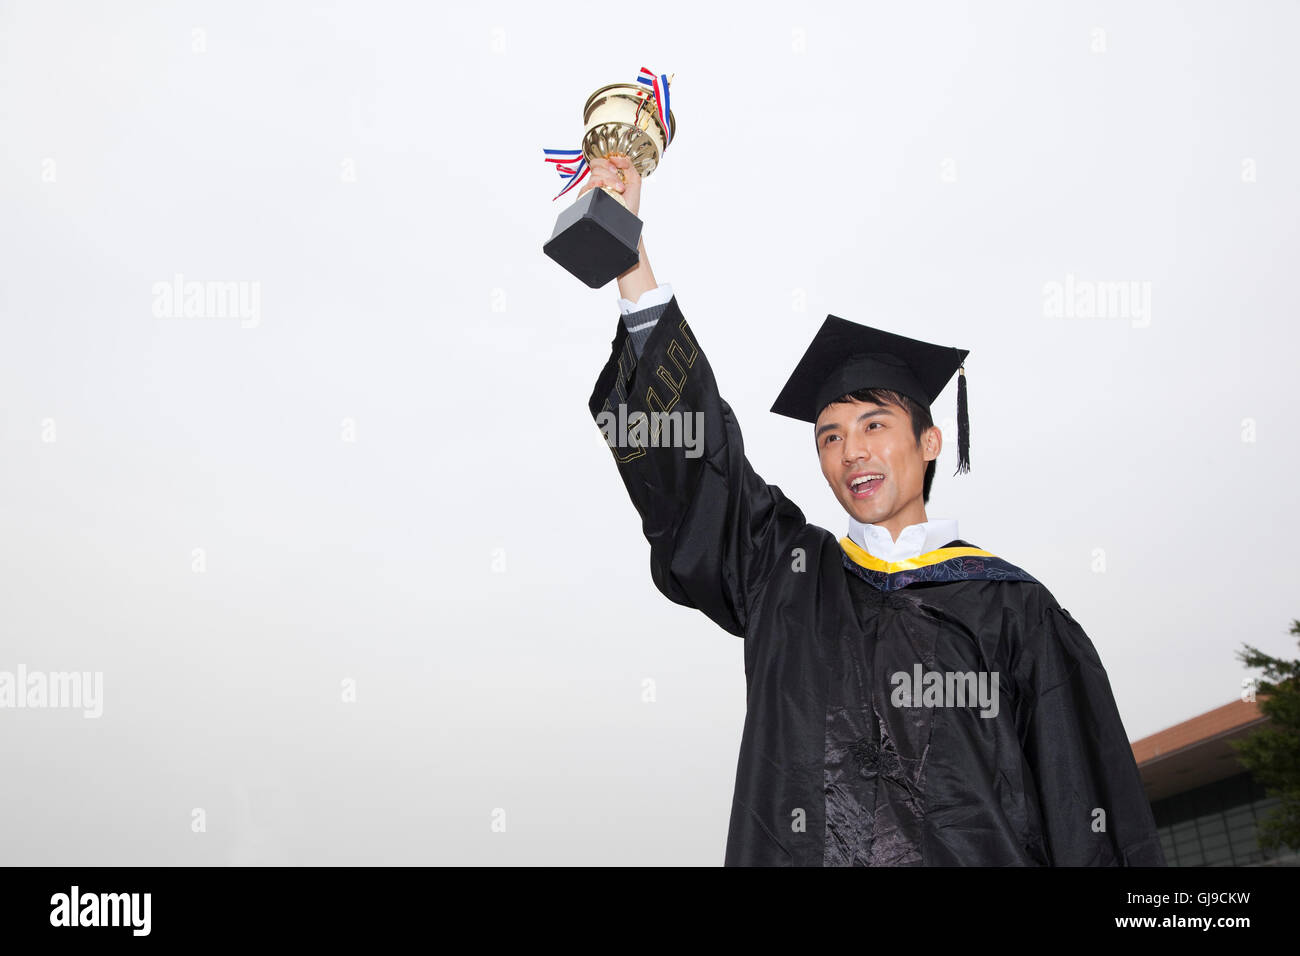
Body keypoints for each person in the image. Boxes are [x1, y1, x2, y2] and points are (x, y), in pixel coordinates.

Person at [578, 154, 1166, 867]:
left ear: (928, 443)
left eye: (874, 426)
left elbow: (1086, 808)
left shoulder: (1016, 611)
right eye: (830, 436)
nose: (850, 451)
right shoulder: (784, 574)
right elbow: (698, 474)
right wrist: (629, 254)